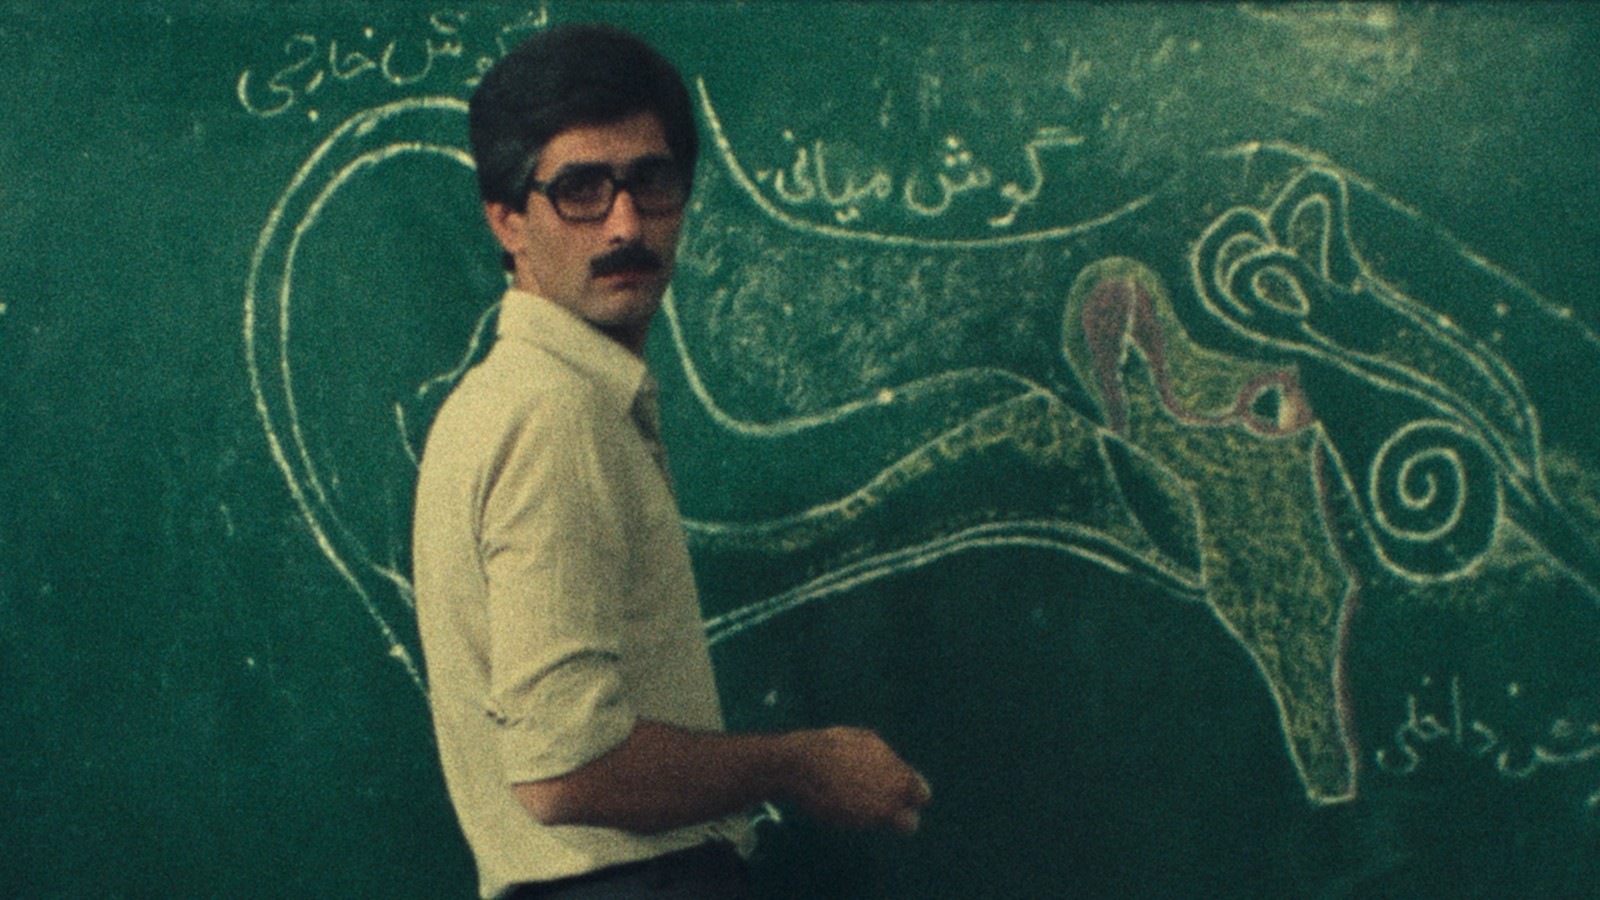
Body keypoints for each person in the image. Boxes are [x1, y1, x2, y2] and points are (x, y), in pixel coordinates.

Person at [412, 23, 932, 900]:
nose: (625, 223)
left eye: (651, 181)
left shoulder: (510, 400)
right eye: (580, 190)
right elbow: (567, 769)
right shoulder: (553, 414)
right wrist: (798, 764)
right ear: (507, 220)